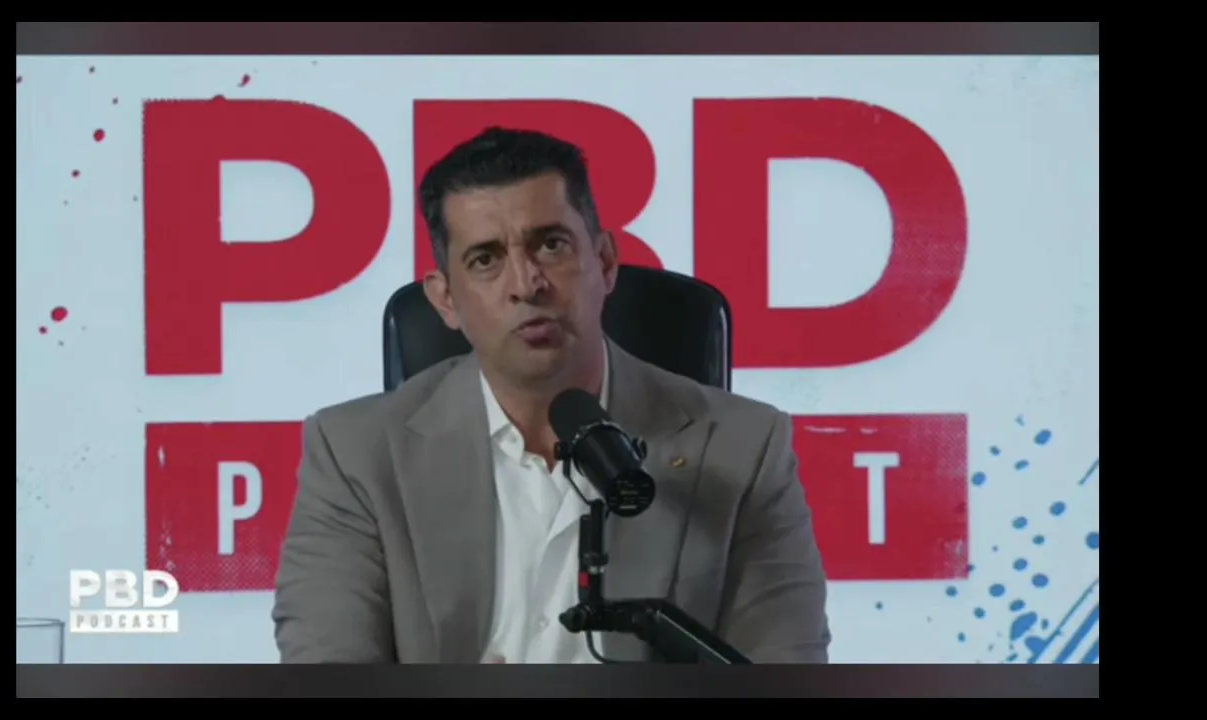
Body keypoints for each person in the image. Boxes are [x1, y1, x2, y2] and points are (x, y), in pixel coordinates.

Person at [272, 127, 831, 664]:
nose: (526, 284)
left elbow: (785, 664)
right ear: (445, 300)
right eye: (486, 259)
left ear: (604, 263)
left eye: (551, 245)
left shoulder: (744, 448)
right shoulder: (355, 454)